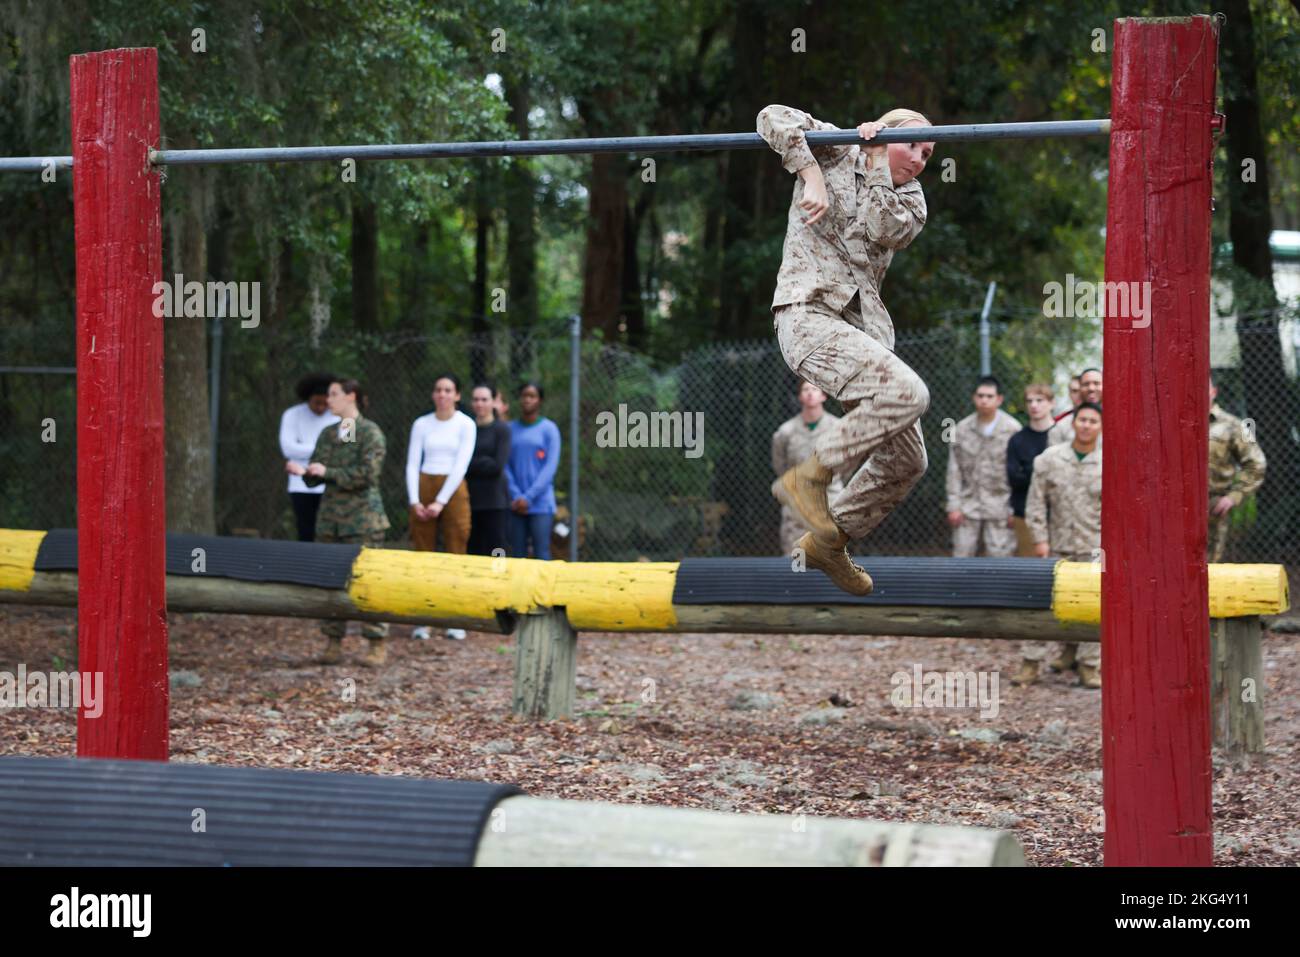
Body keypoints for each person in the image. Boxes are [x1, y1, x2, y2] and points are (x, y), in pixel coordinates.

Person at [758, 103, 934, 595]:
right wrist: (811, 173)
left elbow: (884, 229)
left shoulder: (911, 200)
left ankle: (829, 542)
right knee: (909, 392)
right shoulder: (836, 146)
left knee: (908, 461)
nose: (920, 158)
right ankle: (810, 476)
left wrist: (880, 163)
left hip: (862, 338)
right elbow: (771, 116)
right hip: (808, 317)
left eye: (928, 152)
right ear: (884, 130)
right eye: (913, 144)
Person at [288, 378, 391, 667]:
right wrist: (304, 472)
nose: (328, 400)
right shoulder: (328, 433)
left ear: (351, 397)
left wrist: (328, 472)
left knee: (369, 582)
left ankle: (376, 642)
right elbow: (317, 473)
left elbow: (368, 475)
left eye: (334, 394)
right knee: (330, 582)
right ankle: (333, 641)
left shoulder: (370, 433)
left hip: (363, 521)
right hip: (330, 521)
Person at [1016, 401, 1103, 688]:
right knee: (1043, 604)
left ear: (1100, 427)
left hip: (1093, 547)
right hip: (1056, 546)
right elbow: (1036, 503)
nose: (1087, 425)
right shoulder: (1050, 459)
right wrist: (1039, 539)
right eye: (1083, 420)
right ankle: (1031, 663)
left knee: (1094, 606)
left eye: (1093, 421)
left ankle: (1089, 666)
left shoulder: (1109, 462)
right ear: (1073, 424)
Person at [406, 373, 477, 640]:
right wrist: (415, 500)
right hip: (425, 483)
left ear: (457, 395)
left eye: (448, 390)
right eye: (438, 389)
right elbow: (413, 462)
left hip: (453, 489)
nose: (443, 394)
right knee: (423, 553)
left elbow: (461, 464)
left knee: (456, 548)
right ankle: (424, 619)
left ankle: (454, 618)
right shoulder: (421, 424)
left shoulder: (466, 424)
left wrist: (441, 501)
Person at [945, 376, 1021, 557]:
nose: (984, 400)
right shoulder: (961, 429)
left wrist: (1014, 509)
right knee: (961, 557)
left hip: (1001, 506)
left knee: (1000, 560)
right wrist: (954, 505)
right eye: (980, 395)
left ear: (999, 399)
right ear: (974, 398)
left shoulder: (1013, 430)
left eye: (989, 396)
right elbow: (954, 470)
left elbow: (1017, 474)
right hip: (968, 505)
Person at [771, 380, 842, 555]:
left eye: (815, 389)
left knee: (830, 557)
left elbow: (846, 462)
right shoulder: (785, 431)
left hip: (830, 496)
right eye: (805, 389)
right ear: (800, 396)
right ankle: (795, 580)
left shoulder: (838, 428)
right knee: (796, 557)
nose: (810, 393)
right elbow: (779, 464)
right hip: (797, 496)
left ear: (824, 396)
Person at [1208, 375, 1267, 562]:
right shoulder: (1173, 423)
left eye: (1204, 386)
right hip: (1173, 507)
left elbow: (1257, 464)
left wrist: (1234, 497)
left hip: (1212, 508)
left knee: (1209, 568)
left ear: (1214, 392)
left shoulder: (1238, 425)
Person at [279, 371, 340, 542]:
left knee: (333, 533)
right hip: (301, 484)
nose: (321, 407)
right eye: (316, 403)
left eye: (325, 403)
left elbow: (346, 450)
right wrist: (323, 450)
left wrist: (306, 451)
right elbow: (288, 449)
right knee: (306, 530)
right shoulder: (292, 415)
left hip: (332, 481)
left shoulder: (344, 419)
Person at [506, 382, 561, 560]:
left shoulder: (549, 429)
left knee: (542, 553)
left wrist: (528, 497)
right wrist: (516, 496)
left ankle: (545, 590)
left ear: (540, 400)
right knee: (517, 555)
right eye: (524, 395)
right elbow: (505, 466)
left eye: (532, 396)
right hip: (515, 504)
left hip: (541, 504)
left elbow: (550, 467)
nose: (527, 400)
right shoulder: (510, 429)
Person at [1005, 383, 1056, 557]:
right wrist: (1043, 472)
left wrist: (1029, 469)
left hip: (1059, 513)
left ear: (1051, 403)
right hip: (1025, 513)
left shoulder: (1064, 435)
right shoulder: (1017, 440)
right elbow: (1013, 478)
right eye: (1030, 401)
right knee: (1031, 568)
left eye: (1040, 400)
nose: (1034, 405)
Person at [466, 382, 512, 559]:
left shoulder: (502, 429)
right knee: (474, 550)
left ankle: (499, 583)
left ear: (493, 402)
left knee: (497, 548)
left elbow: (497, 466)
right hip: (469, 500)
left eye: (484, 399)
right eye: (476, 399)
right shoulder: (466, 427)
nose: (480, 404)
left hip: (495, 502)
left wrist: (472, 463)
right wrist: (484, 461)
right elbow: (461, 465)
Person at [1049, 367, 1102, 447]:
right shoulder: (1062, 426)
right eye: (1086, 384)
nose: (1091, 388)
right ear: (1080, 388)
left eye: (1096, 383)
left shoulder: (1120, 421)